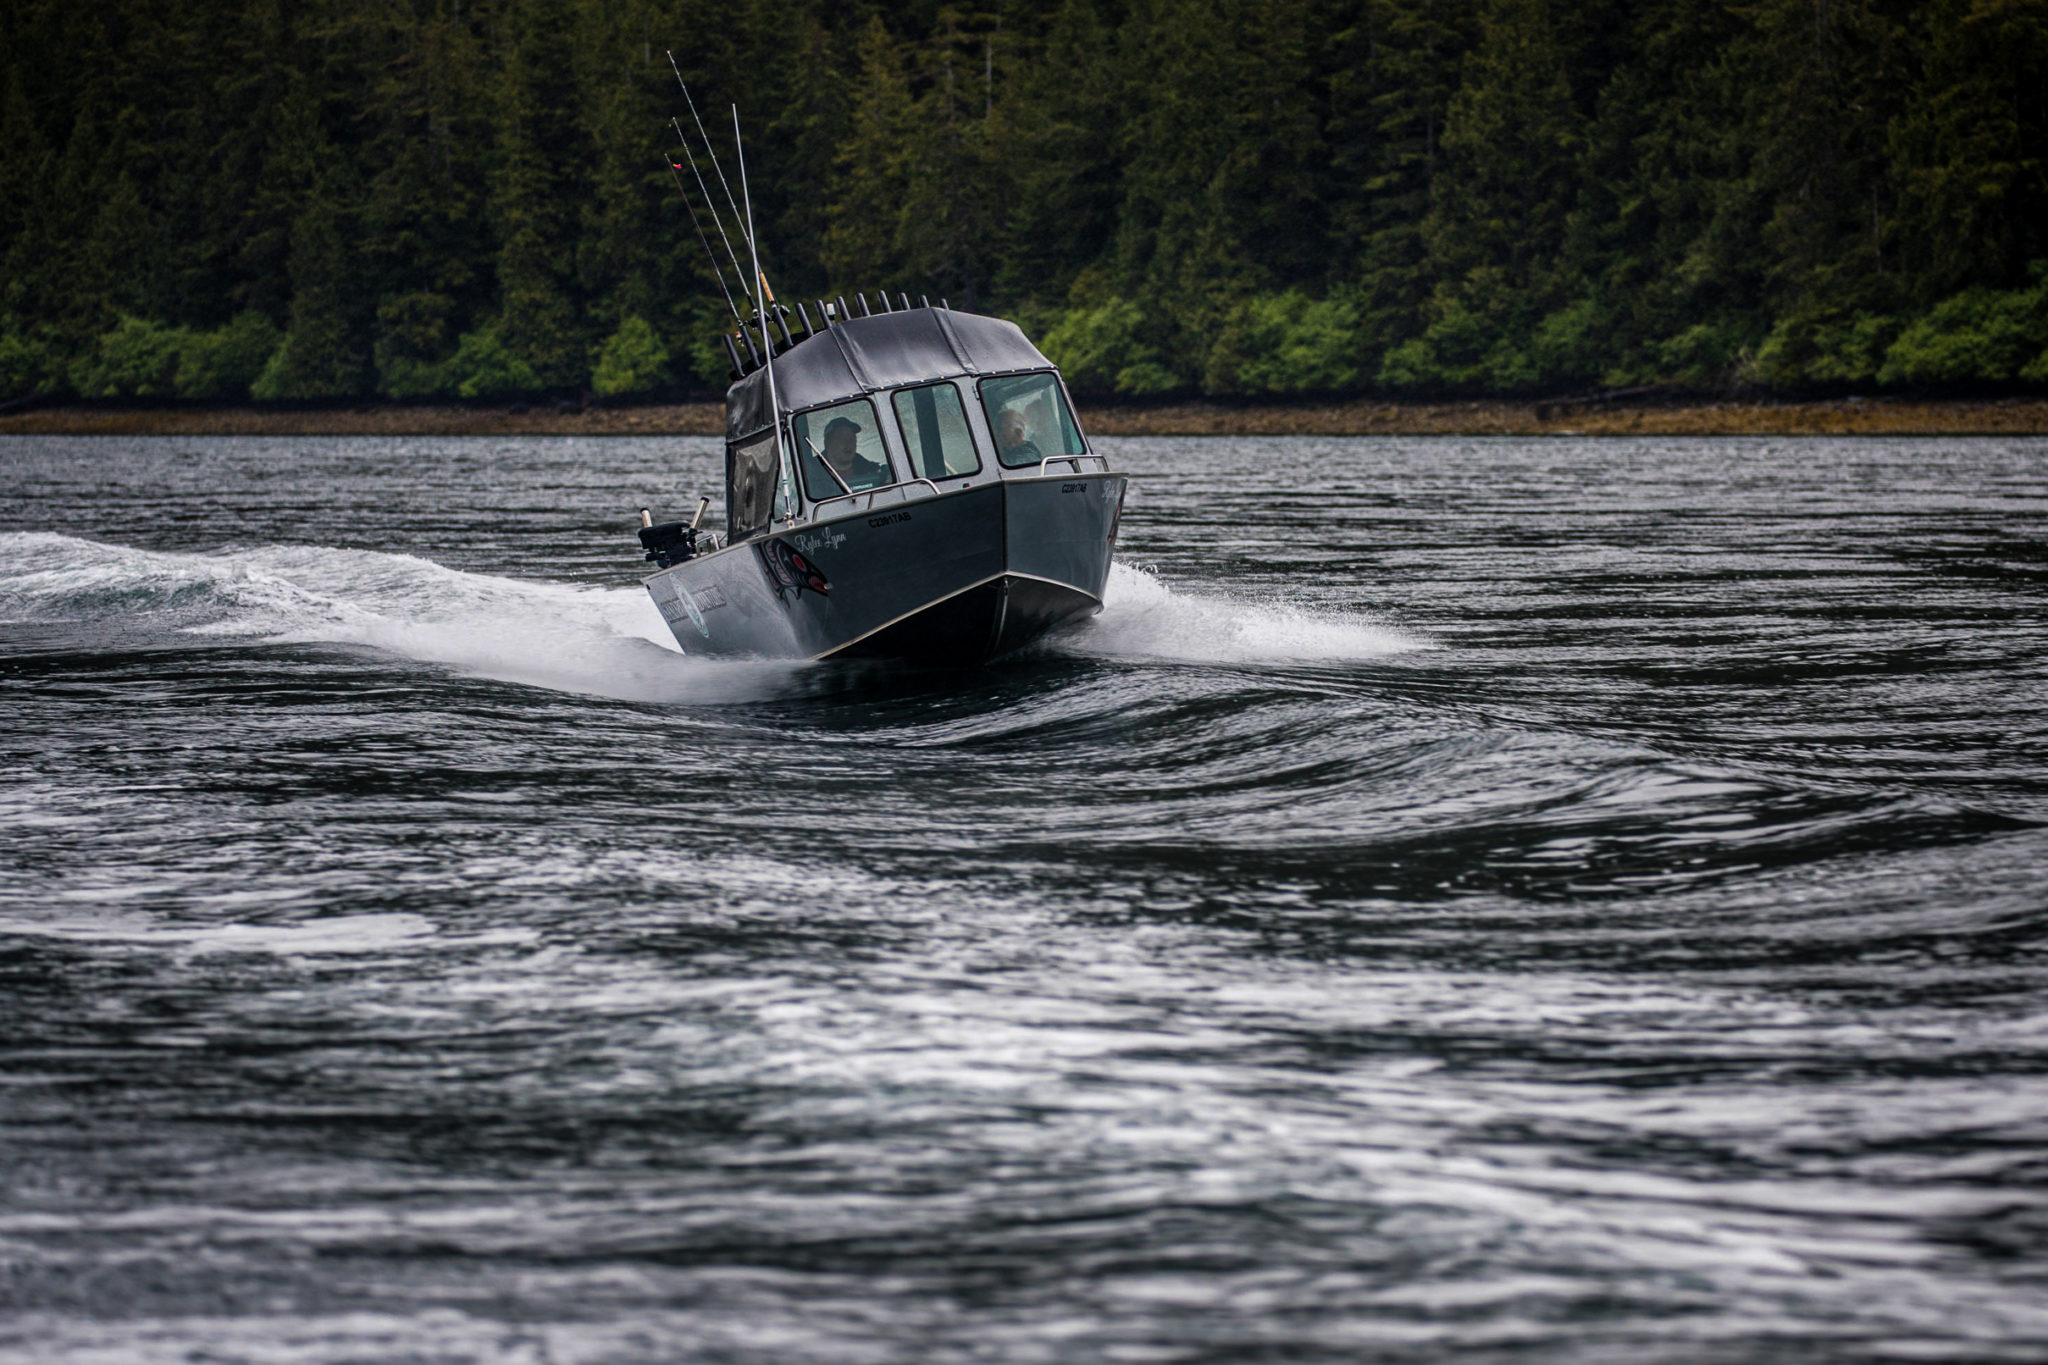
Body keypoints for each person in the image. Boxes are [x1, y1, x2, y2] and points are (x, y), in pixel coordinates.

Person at [819, 415, 888, 491]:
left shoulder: (872, 470)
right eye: (842, 438)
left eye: (852, 438)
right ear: (827, 443)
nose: (849, 443)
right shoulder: (810, 475)